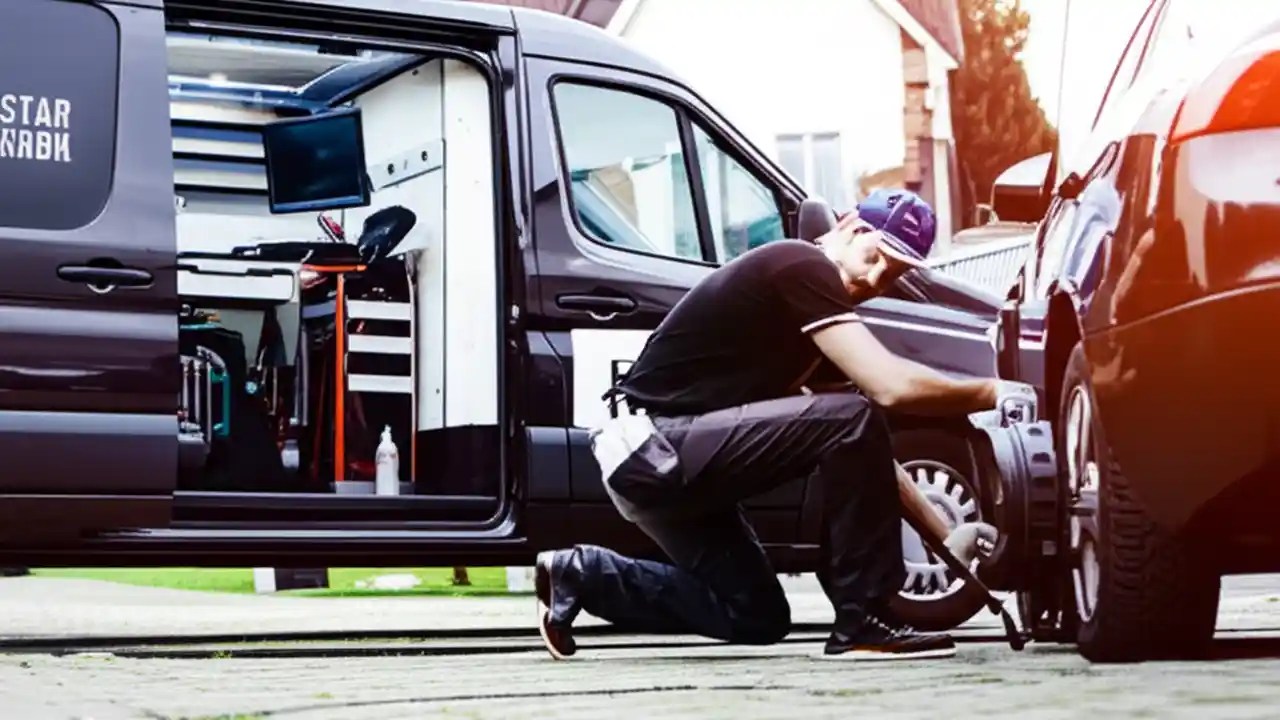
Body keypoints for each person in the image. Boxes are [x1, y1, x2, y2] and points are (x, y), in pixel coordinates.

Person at [535, 188, 1010, 661]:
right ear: (848, 229)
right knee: (854, 415)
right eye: (877, 256)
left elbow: (867, 450)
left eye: (897, 273)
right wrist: (997, 390)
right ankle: (863, 620)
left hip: (663, 468)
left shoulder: (812, 327)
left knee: (755, 614)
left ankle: (582, 575)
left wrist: (946, 536)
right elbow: (889, 389)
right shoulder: (802, 264)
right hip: (654, 446)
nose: (878, 278)